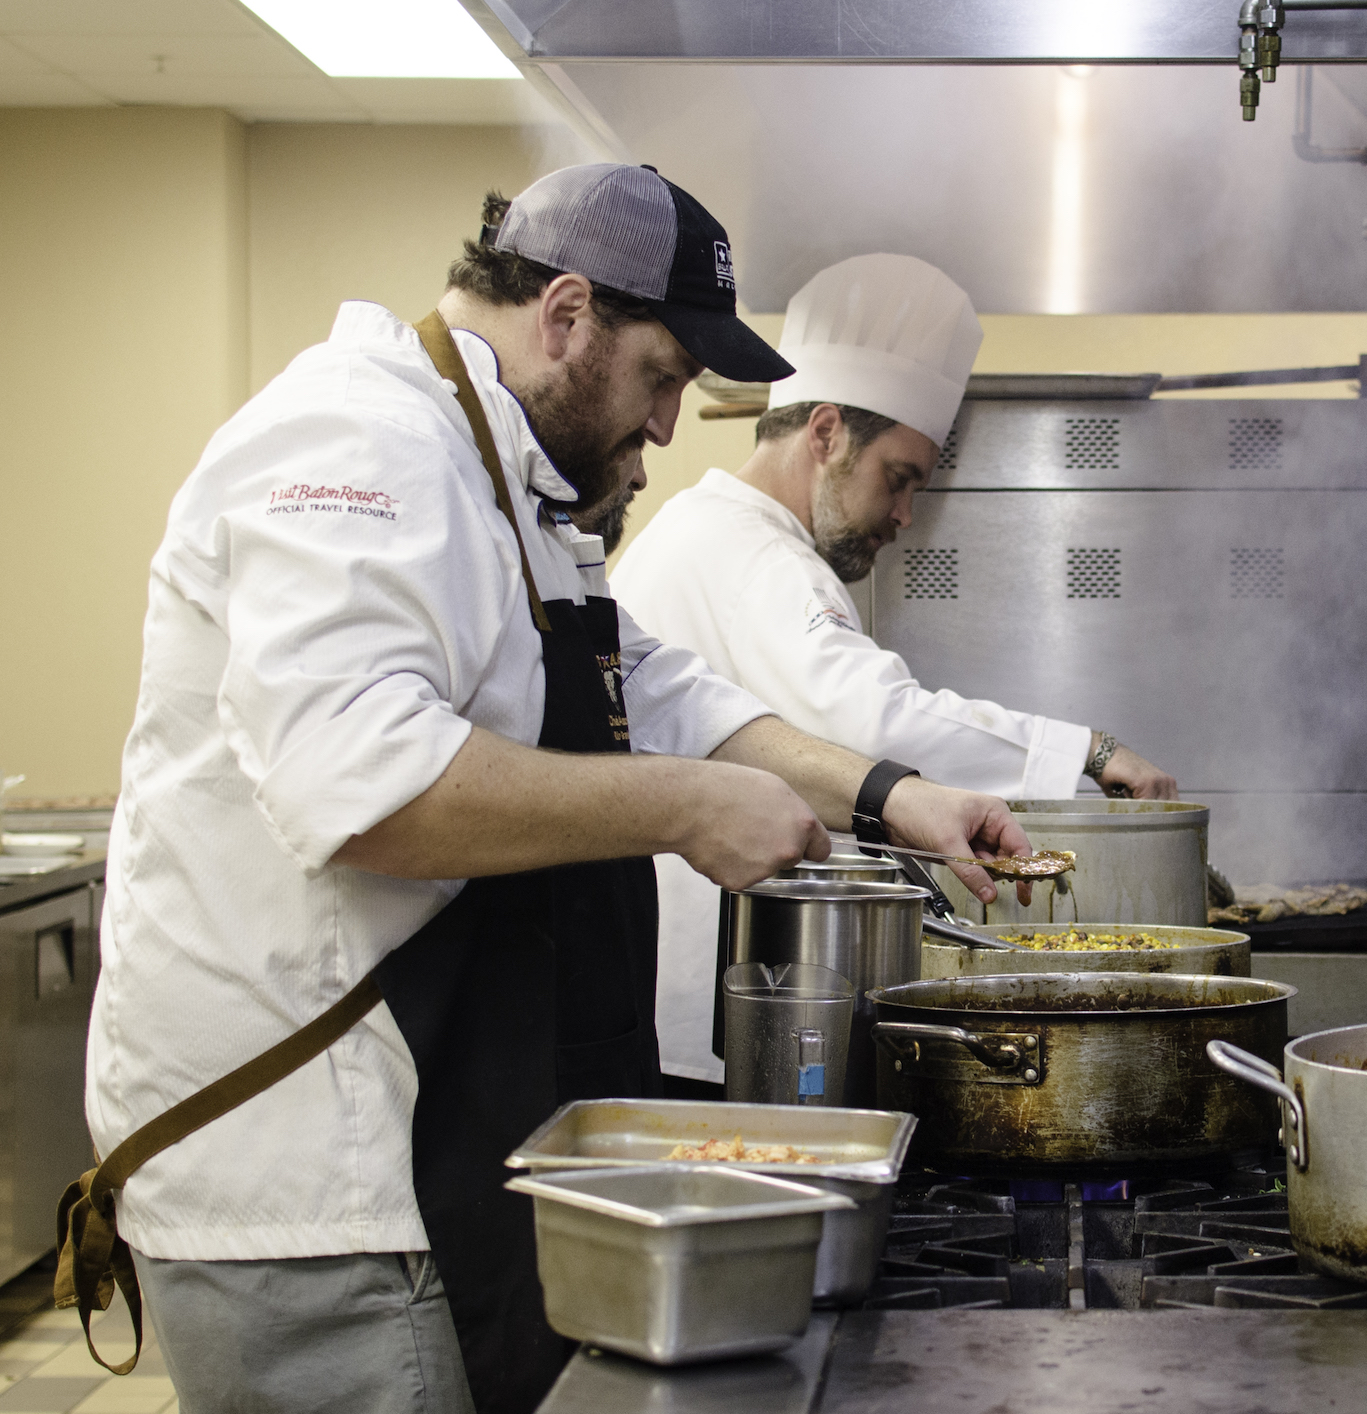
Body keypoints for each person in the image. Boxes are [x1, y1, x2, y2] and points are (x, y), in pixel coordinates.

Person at [80, 166, 1029, 1414]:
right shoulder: (350, 438)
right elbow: (359, 787)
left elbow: (655, 684)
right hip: (317, 1175)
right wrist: (685, 809)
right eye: (662, 378)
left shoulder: (506, 485)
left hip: (438, 1145)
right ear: (567, 314)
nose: (668, 426)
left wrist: (892, 794)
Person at [608, 253, 1174, 1091]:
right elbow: (871, 723)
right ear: (827, 432)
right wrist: (1088, 753)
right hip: (713, 1020)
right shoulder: (752, 555)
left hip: (701, 1004)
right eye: (898, 479)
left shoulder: (711, 533)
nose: (906, 516)